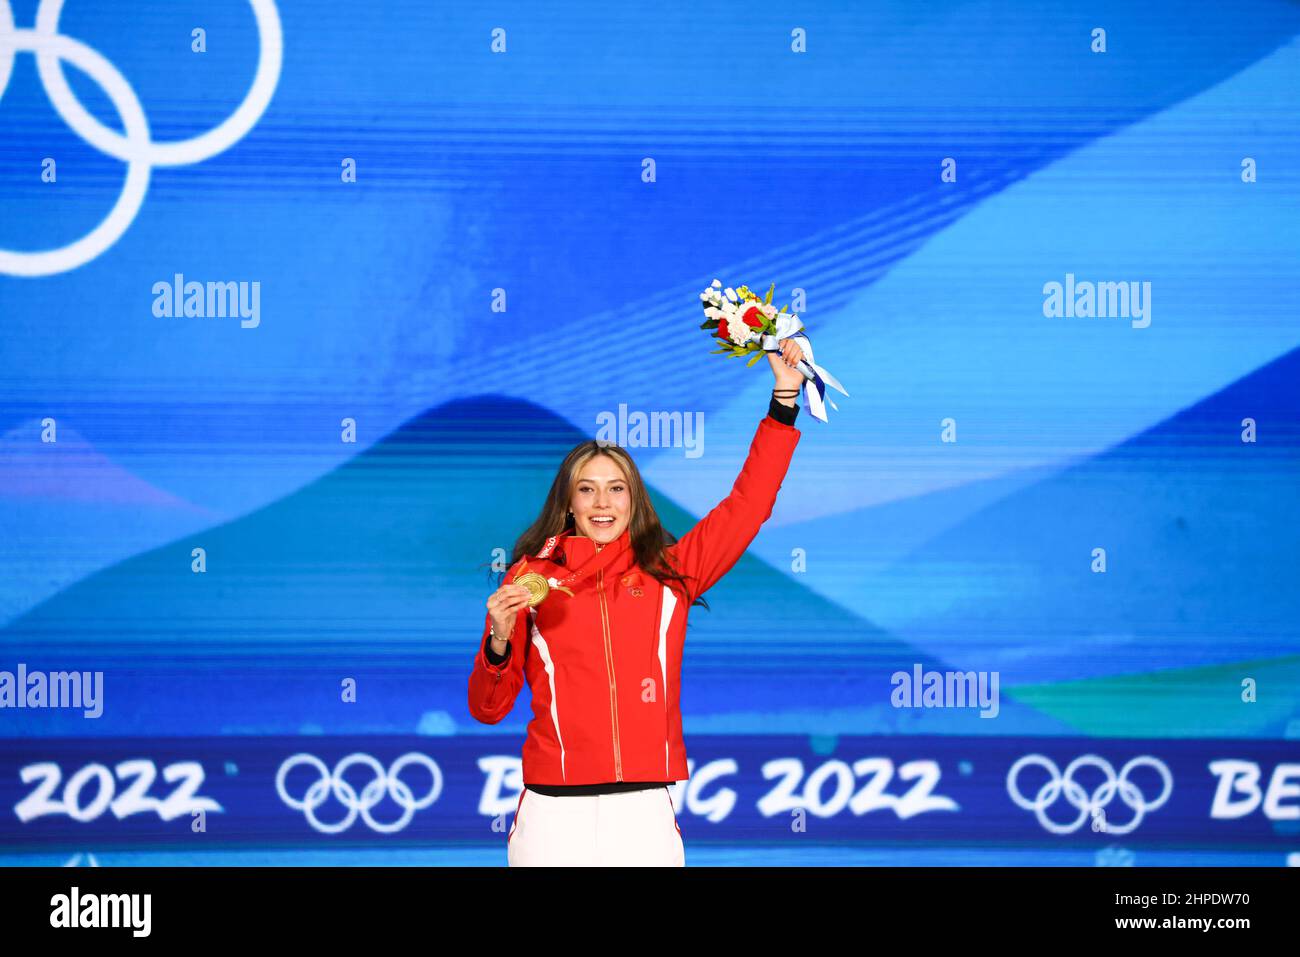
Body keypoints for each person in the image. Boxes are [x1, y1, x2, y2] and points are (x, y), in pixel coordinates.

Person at [468, 339, 807, 865]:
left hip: (643, 813)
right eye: (587, 490)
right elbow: (488, 709)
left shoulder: (671, 571)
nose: (603, 502)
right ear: (568, 504)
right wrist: (498, 639)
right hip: (553, 816)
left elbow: (749, 504)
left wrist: (784, 400)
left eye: (617, 489)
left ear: (634, 500)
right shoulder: (529, 580)